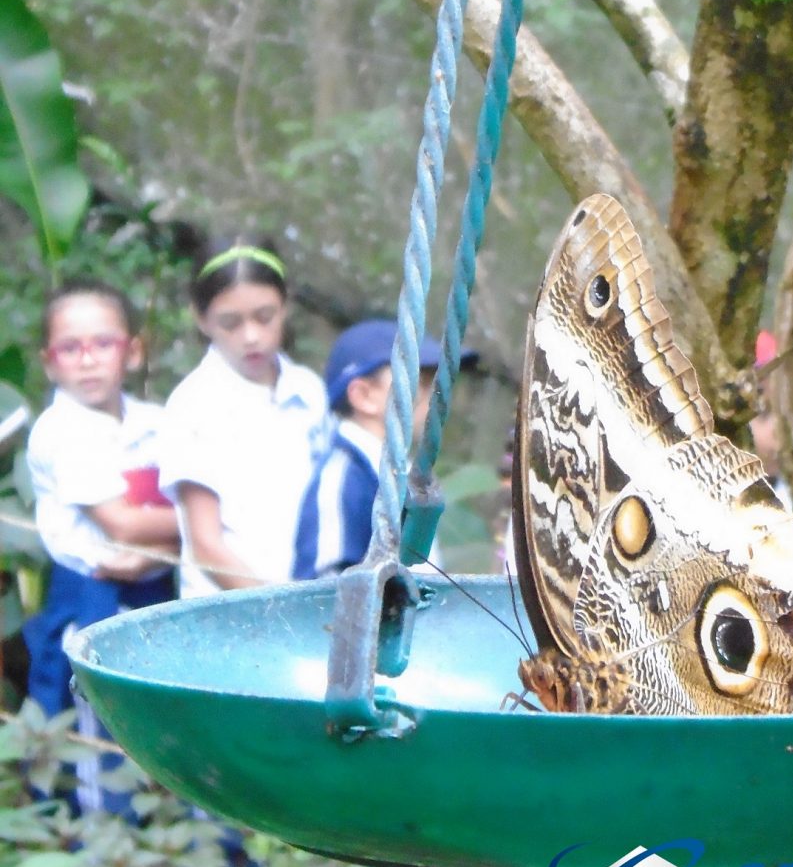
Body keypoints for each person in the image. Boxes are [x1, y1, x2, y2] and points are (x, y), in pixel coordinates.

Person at [22, 278, 179, 810]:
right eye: (70, 348)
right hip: (90, 594)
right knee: (93, 716)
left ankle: (158, 834)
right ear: (50, 362)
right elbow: (125, 525)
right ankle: (92, 841)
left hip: (156, 587)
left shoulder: (156, 424)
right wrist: (195, 524)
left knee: (153, 717)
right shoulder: (61, 430)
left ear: (132, 351)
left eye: (103, 344)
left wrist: (176, 538)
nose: (87, 360)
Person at [158, 238, 327, 597]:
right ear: (201, 319)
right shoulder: (193, 405)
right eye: (230, 323)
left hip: (310, 601)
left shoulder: (309, 390)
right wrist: (276, 609)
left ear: (286, 305)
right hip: (229, 612)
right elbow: (207, 544)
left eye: (265, 317)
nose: (251, 336)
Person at [293, 326, 477, 580]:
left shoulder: (396, 471)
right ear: (364, 396)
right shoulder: (344, 474)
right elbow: (326, 590)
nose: (431, 398)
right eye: (421, 384)